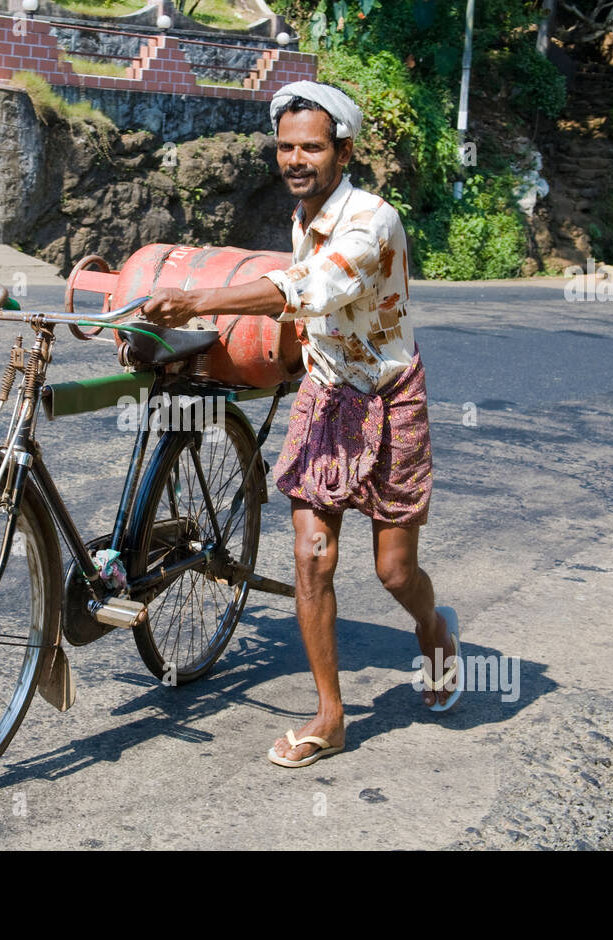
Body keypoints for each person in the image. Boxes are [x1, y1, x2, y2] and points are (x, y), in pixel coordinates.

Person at [141, 80, 461, 769]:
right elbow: (302, 311)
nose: (296, 159)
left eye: (311, 147)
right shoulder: (301, 216)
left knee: (395, 573)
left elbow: (310, 288)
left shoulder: (374, 220)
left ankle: (435, 631)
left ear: (342, 151)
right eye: (286, 147)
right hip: (325, 395)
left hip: (389, 396)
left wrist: (198, 297)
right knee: (312, 557)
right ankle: (331, 715)